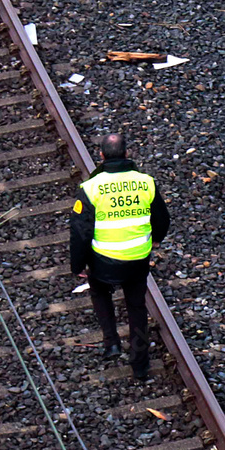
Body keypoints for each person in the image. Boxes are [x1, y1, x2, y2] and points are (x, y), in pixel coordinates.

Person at [69, 133, 170, 381]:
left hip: (104, 261)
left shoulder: (91, 188)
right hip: (137, 259)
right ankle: (140, 365)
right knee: (136, 307)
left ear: (101, 156)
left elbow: (81, 231)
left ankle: (111, 343)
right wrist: (157, 237)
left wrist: (78, 265)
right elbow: (161, 217)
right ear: (127, 153)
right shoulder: (145, 182)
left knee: (100, 291)